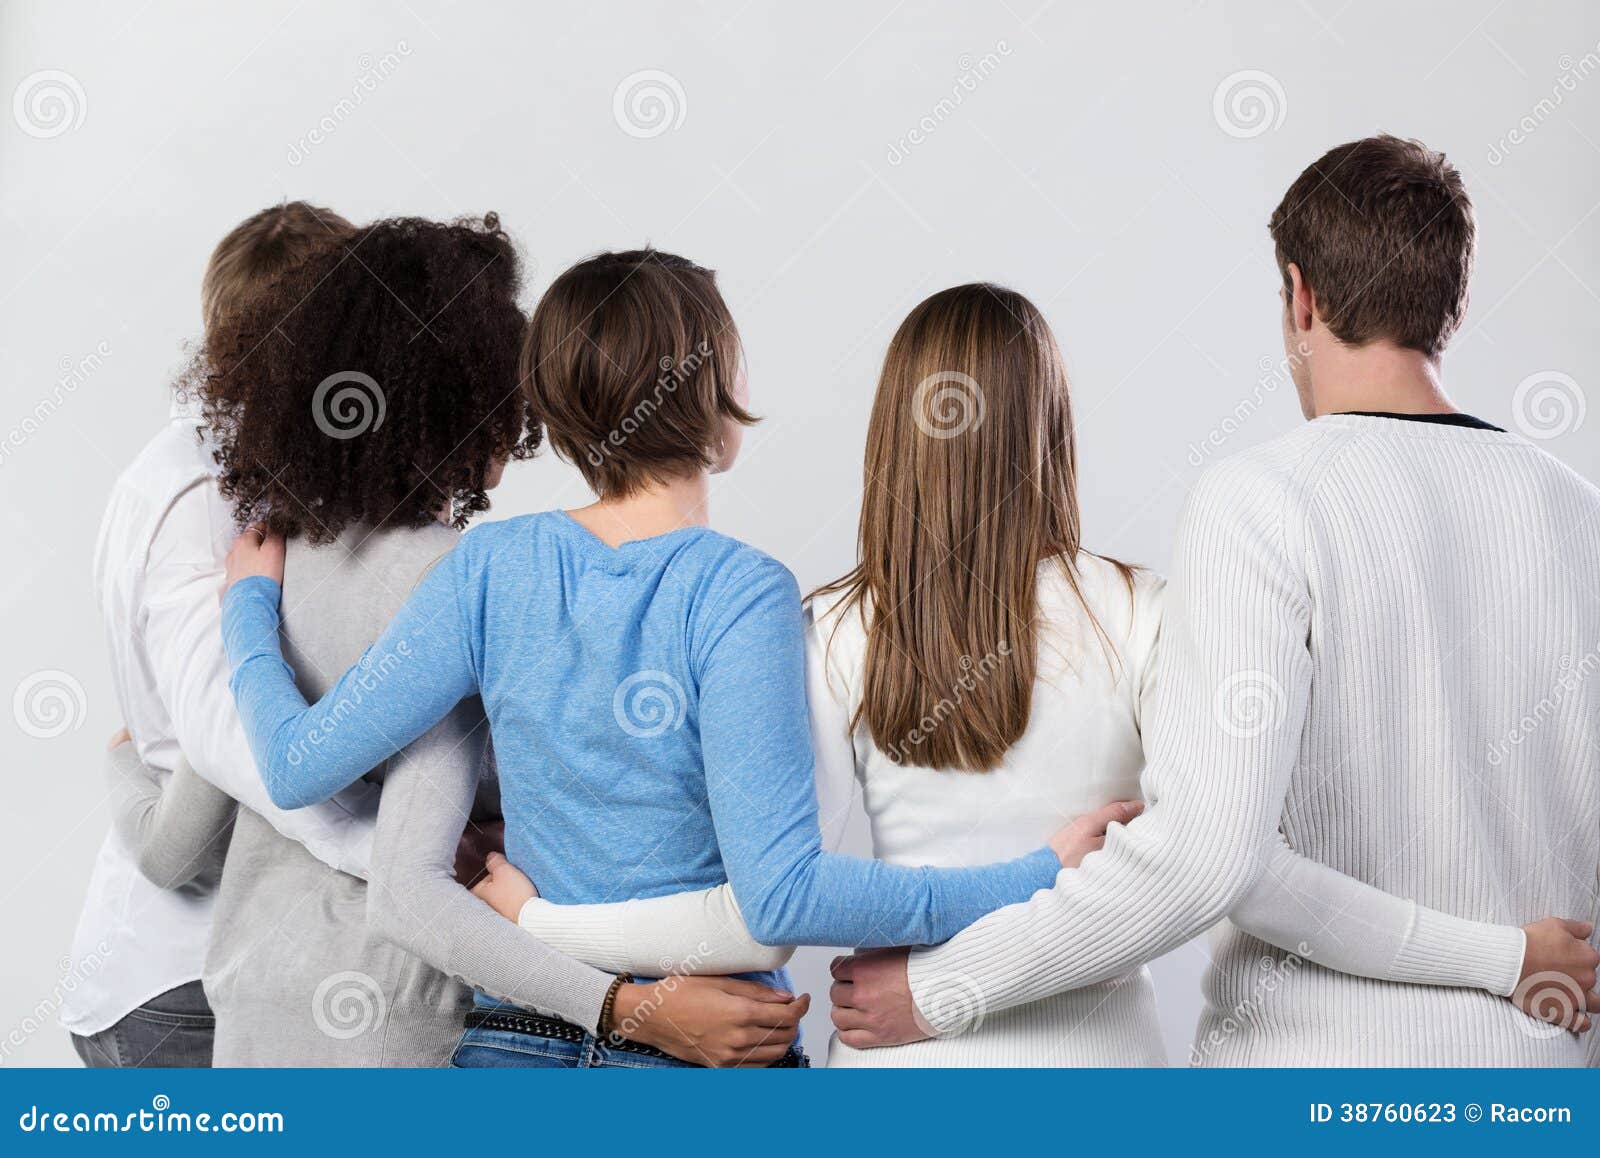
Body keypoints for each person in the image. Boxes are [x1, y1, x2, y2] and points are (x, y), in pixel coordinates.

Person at [465, 281, 1594, 1068]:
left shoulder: (816, 631)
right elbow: (1237, 868)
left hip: (888, 1076)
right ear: (1051, 427)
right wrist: (1498, 957)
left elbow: (764, 912)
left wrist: (547, 923)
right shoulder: (1147, 613)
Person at [217, 248, 1101, 1069]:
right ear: (713, 388)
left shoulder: (489, 566)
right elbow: (785, 898)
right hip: (698, 1054)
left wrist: (248, 608)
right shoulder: (741, 592)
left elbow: (298, 765)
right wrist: (1031, 878)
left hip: (514, 1047)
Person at [828, 135, 1600, 1066]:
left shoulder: (1264, 501)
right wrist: (1515, 961)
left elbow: (1209, 857)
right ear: (1454, 301)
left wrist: (948, 984)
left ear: (1301, 295)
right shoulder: (1579, 512)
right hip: (1546, 1080)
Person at [178, 218, 826, 1067]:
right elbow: (407, 884)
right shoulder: (470, 574)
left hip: (302, 1012)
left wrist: (247, 614)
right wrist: (628, 1007)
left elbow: (262, 786)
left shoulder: (308, 563)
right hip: (438, 1020)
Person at [64, 202, 370, 1068]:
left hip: (229, 960)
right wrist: (396, 856)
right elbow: (231, 738)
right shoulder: (198, 493)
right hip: (178, 987)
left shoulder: (250, 472)